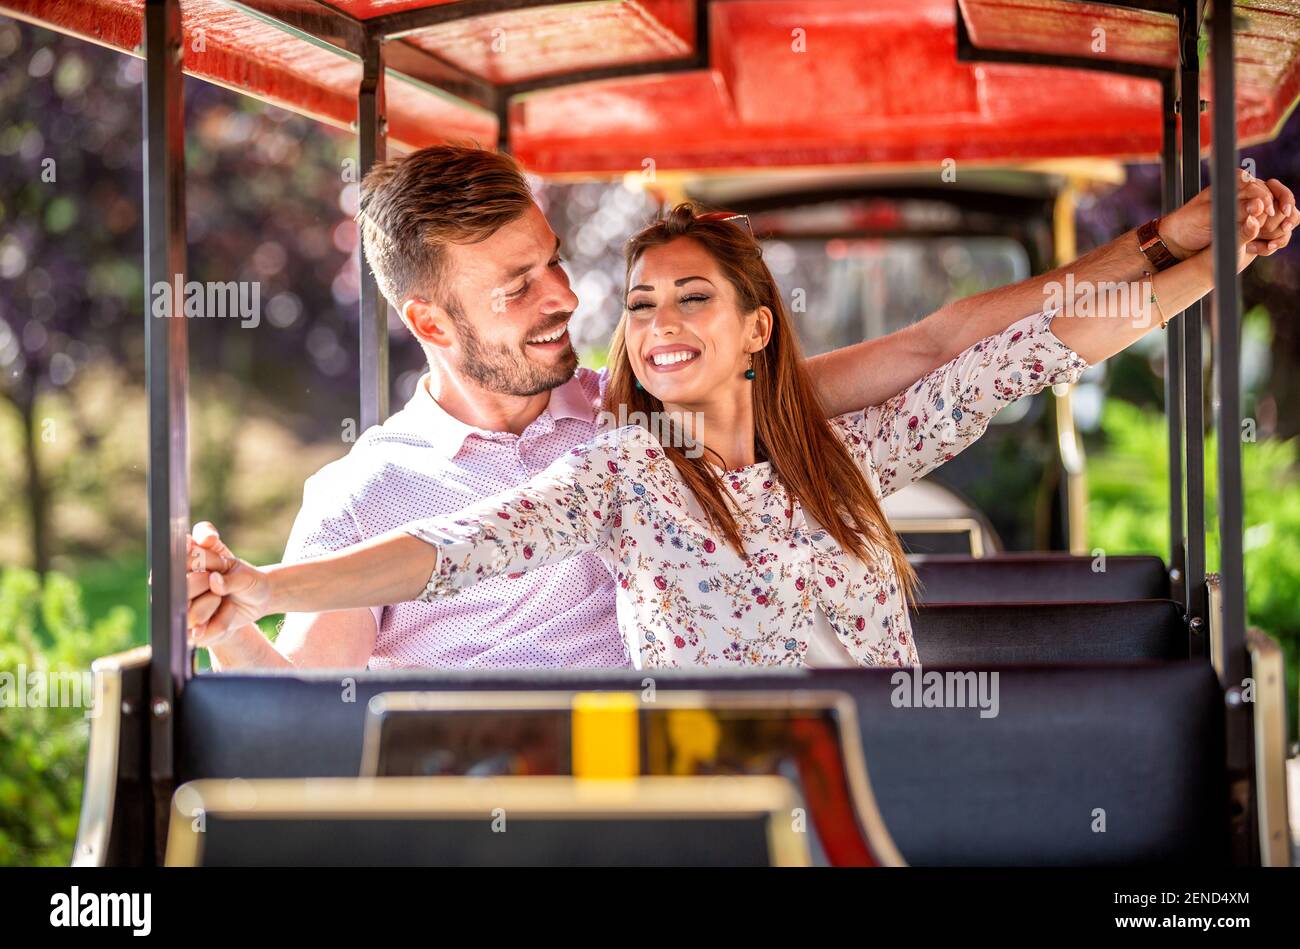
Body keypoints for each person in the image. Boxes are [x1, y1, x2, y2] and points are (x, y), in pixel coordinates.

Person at [188, 183, 1283, 669]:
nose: (645, 320)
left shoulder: (846, 449)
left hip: (890, 775)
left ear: (760, 328)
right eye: (643, 303)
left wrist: (1194, 259)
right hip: (707, 796)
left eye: (692, 298)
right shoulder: (618, 468)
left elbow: (997, 351)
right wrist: (265, 588)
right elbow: (461, 547)